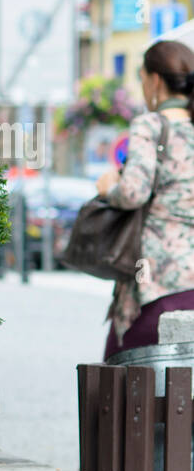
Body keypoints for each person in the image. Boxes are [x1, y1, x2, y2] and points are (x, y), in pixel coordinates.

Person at [96, 40, 194, 359]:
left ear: (154, 80)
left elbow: (132, 192)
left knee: (121, 379)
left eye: (141, 78)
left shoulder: (151, 126)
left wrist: (109, 186)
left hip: (155, 284)